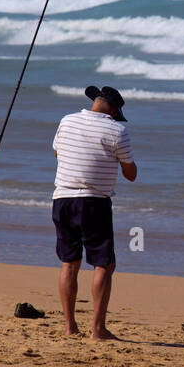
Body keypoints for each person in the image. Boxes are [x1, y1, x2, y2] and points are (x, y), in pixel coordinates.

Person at [51, 85, 137, 340]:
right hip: (94, 202)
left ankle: (70, 327)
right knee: (104, 264)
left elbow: (57, 153)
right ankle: (97, 329)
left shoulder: (67, 121)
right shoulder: (117, 130)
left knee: (69, 262)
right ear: (113, 109)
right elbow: (130, 174)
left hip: (62, 198)